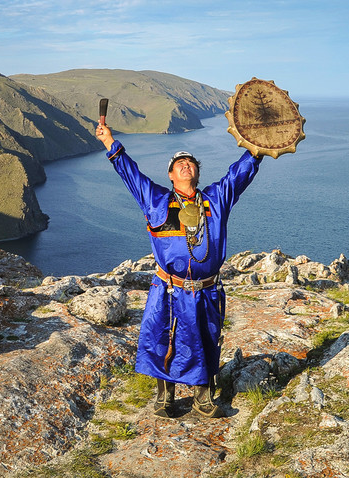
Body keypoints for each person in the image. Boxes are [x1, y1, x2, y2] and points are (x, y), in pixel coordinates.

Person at [95, 122, 263, 419]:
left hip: (207, 289)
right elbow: (130, 174)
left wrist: (256, 151)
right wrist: (110, 141)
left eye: (190, 163)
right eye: (179, 164)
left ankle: (203, 397)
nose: (186, 166)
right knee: (164, 338)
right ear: (171, 175)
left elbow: (237, 176)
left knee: (206, 338)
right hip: (169, 288)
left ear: (197, 173)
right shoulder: (156, 200)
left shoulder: (216, 199)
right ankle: (165, 396)